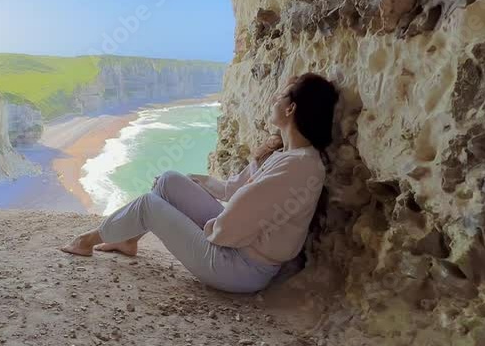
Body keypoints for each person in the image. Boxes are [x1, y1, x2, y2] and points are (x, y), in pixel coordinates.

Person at [60, 73, 339, 293]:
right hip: (236, 248)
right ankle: (128, 240)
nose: (273, 101)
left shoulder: (298, 166)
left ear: (290, 109)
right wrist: (192, 182)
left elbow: (236, 220)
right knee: (169, 181)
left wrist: (203, 230)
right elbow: (233, 189)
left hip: (239, 269)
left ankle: (88, 240)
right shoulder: (283, 155)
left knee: (148, 206)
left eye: (279, 97)